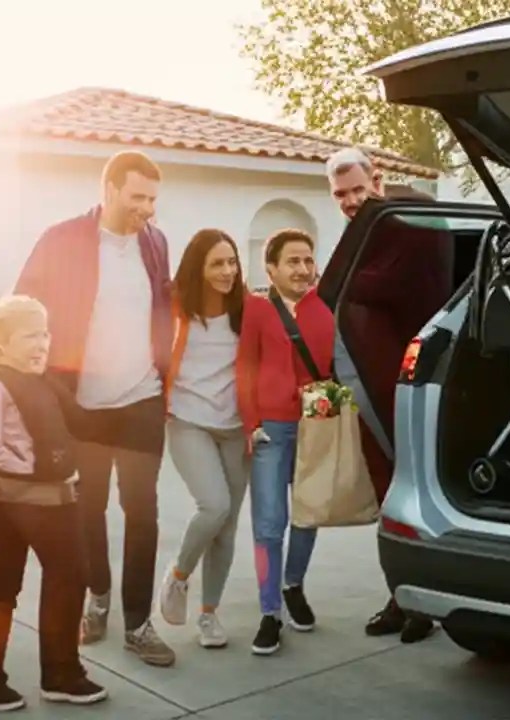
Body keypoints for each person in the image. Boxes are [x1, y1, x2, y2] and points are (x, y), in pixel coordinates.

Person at [14, 150, 176, 667]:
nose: (146, 209)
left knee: (143, 514)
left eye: (152, 199)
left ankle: (139, 623)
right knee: (89, 512)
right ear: (108, 190)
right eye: (137, 198)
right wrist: (40, 386)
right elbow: (20, 309)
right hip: (81, 406)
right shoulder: (61, 241)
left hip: (142, 400)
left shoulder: (156, 243)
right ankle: (98, 599)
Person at [324, 147, 453, 643]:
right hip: (372, 387)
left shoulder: (408, 223)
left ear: (376, 180)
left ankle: (420, 601)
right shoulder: (367, 233)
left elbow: (370, 289)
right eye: (341, 194)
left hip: (414, 386)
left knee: (412, 498)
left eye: (358, 188)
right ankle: (402, 597)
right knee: (388, 498)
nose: (352, 201)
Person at [0, 295, 108, 711]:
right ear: (3, 341)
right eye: (30, 335)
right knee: (65, 575)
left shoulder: (41, 380)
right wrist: (28, 468)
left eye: (45, 333)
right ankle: (58, 675)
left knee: (7, 584)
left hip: (36, 495)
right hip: (28, 499)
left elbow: (77, 421)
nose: (42, 342)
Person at [235, 228, 333, 656]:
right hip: (271, 427)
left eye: (308, 260)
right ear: (270, 268)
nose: (302, 269)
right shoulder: (257, 309)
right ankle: (270, 611)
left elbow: (335, 366)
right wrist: (250, 422)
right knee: (269, 524)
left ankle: (294, 585)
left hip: (315, 425)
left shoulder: (326, 307)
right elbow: (245, 367)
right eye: (292, 261)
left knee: (308, 515)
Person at [157, 229, 251, 649]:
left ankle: (209, 614)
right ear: (198, 267)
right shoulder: (173, 306)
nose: (227, 271)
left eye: (232, 261)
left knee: (227, 528)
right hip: (187, 419)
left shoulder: (248, 308)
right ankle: (178, 575)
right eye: (217, 263)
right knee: (214, 507)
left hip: (235, 427)